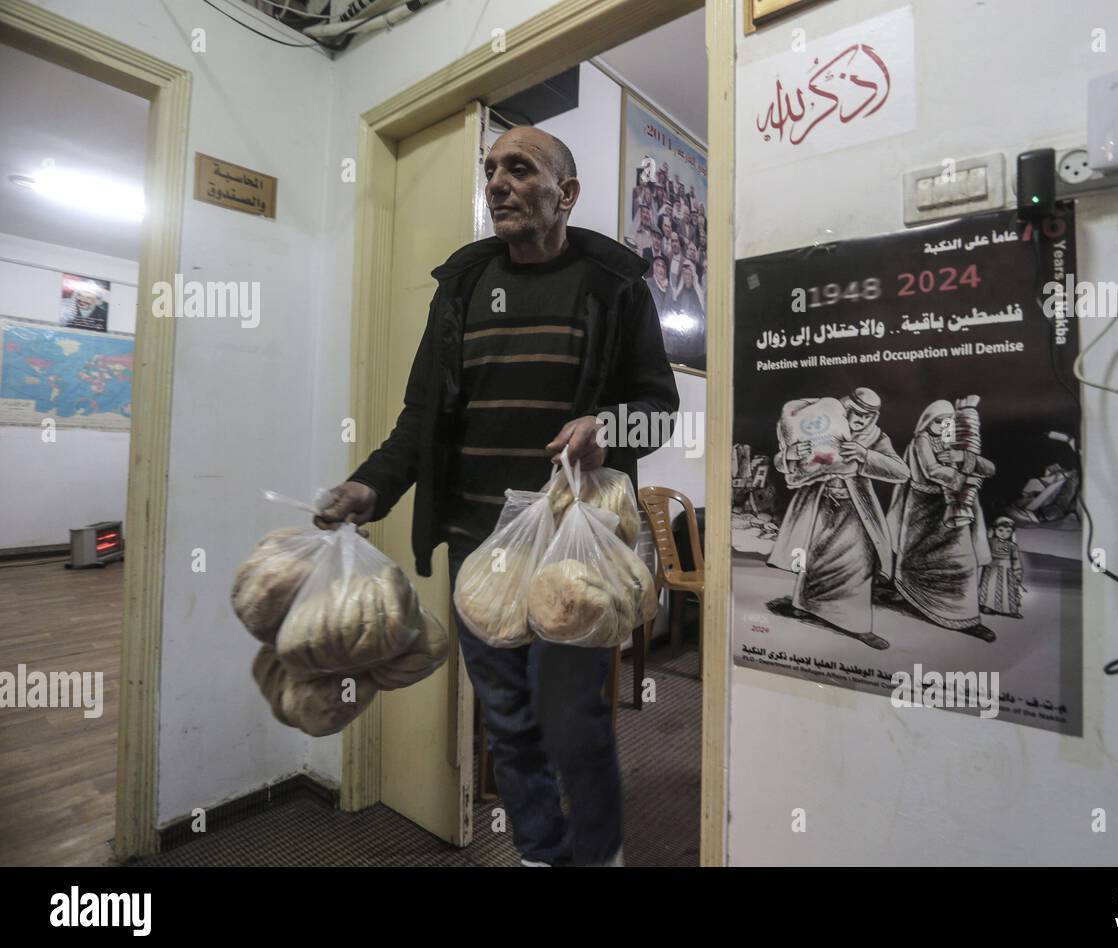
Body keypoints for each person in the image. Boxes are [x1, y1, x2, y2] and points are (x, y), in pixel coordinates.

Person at [315, 126, 679, 867]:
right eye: (490, 170)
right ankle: (542, 854)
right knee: (508, 720)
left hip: (573, 547)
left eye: (520, 168)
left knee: (571, 717)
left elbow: (659, 406)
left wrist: (607, 427)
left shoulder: (614, 286)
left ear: (566, 193)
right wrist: (369, 485)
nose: (498, 183)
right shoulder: (463, 289)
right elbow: (422, 416)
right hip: (478, 543)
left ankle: (600, 855)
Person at [767, 389, 908, 649]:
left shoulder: (875, 437)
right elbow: (779, 460)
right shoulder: (815, 421)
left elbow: (901, 471)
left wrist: (865, 455)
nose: (862, 420)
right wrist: (790, 455)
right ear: (845, 408)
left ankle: (857, 625)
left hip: (854, 510)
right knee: (812, 559)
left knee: (858, 565)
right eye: (857, 413)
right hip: (816, 505)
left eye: (869, 416)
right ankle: (806, 606)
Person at [885, 398, 998, 642]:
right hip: (923, 509)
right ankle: (911, 594)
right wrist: (964, 479)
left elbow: (987, 468)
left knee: (961, 561)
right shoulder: (920, 441)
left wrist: (965, 458)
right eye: (939, 421)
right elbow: (932, 470)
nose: (944, 425)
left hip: (951, 510)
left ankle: (962, 615)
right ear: (927, 421)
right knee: (915, 556)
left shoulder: (953, 442)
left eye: (949, 421)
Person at [979, 517, 1025, 618]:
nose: (1004, 533)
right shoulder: (990, 542)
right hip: (991, 569)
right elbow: (983, 552)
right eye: (1000, 530)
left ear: (1011, 533)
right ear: (994, 530)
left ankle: (1008, 609)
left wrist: (1017, 572)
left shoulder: (1012, 546)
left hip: (1007, 570)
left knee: (1007, 589)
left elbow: (1015, 559)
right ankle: (987, 606)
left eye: (1008, 531)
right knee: (990, 587)